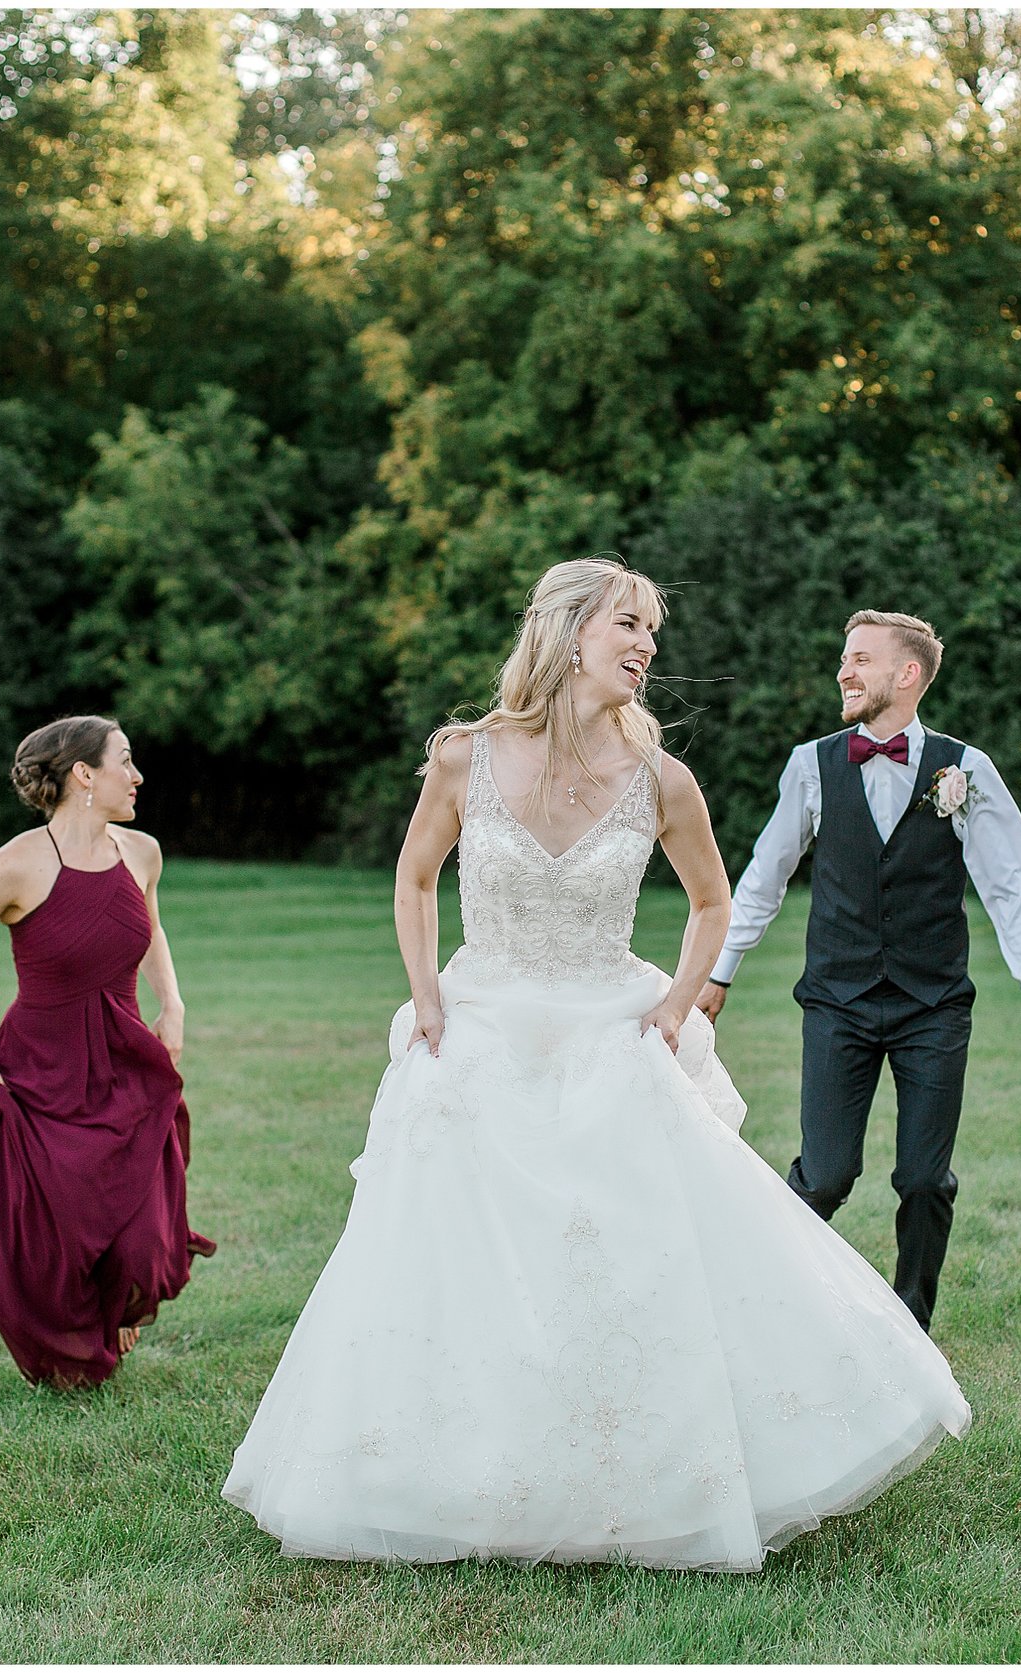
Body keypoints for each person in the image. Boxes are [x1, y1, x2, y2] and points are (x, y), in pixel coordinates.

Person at [223, 558, 971, 1571]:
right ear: (569, 631)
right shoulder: (464, 757)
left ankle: (636, 1481)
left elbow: (714, 901)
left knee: (624, 1266)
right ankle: (462, 1475)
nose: (646, 646)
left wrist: (674, 1002)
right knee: (460, 1266)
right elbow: (412, 877)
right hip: (480, 1031)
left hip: (608, 1034)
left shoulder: (662, 779)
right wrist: (427, 991)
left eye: (651, 631)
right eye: (630, 623)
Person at [696, 610, 1021, 1331]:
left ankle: (910, 1325)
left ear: (908, 674)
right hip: (839, 1002)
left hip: (934, 1006)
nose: (844, 670)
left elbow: (1015, 891)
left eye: (861, 659)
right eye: (845, 658)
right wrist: (721, 970)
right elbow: (765, 874)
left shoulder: (964, 769)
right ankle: (767, 1307)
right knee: (826, 1174)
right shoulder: (814, 763)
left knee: (926, 1179)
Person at [0, 717, 213, 1388]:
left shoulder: (143, 853)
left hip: (126, 1059)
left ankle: (120, 1302)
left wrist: (174, 1001)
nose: (136, 777)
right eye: (123, 762)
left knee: (140, 1233)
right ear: (84, 775)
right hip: (42, 1070)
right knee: (54, 1236)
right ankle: (72, 1345)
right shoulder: (19, 863)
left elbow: (150, 928)